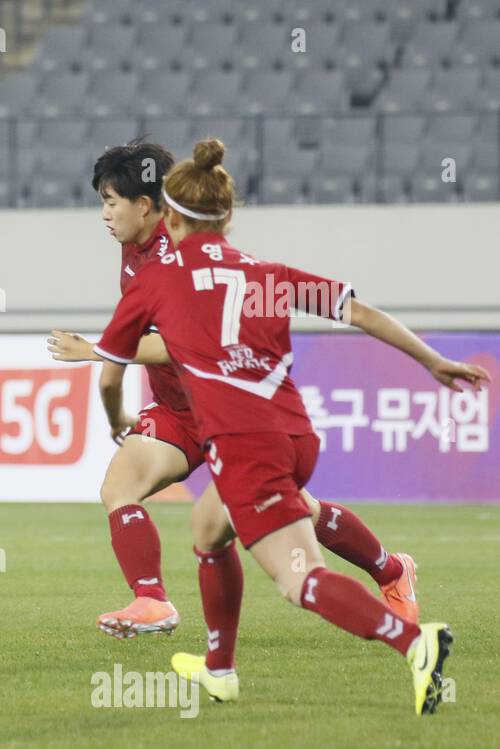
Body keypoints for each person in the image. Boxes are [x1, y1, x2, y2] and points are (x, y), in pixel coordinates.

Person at [93, 138, 489, 714]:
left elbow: (109, 379)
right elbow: (358, 310)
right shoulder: (268, 274)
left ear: (169, 216)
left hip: (242, 445)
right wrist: (429, 359)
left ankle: (414, 642)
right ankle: (219, 670)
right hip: (295, 435)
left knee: (299, 579)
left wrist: (119, 421)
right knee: (208, 531)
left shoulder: (158, 277)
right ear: (226, 217)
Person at [48, 141, 418, 640]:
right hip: (181, 412)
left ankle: (391, 571)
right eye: (102, 201)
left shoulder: (178, 256)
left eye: (111, 201)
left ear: (145, 204)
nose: (104, 214)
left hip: (229, 409)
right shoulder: (134, 249)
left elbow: (177, 344)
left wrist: (97, 351)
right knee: (119, 488)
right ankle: (152, 601)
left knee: (300, 512)